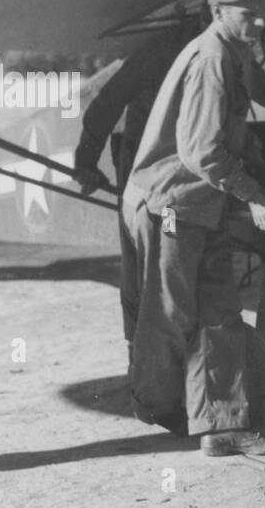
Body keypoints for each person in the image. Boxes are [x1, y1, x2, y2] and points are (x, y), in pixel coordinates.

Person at [123, 0, 265, 455]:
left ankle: (221, 427)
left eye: (264, 12)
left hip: (199, 204)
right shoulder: (211, 57)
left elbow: (260, 86)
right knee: (169, 316)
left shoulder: (233, 49)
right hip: (168, 204)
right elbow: (203, 151)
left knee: (219, 314)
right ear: (218, 11)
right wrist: (257, 196)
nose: (260, 23)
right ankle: (161, 408)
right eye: (248, 13)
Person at [73, 19, 204, 346]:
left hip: (185, 178)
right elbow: (106, 104)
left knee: (181, 268)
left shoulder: (223, 49)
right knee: (145, 267)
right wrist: (86, 162)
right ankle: (141, 357)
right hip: (146, 178)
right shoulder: (161, 51)